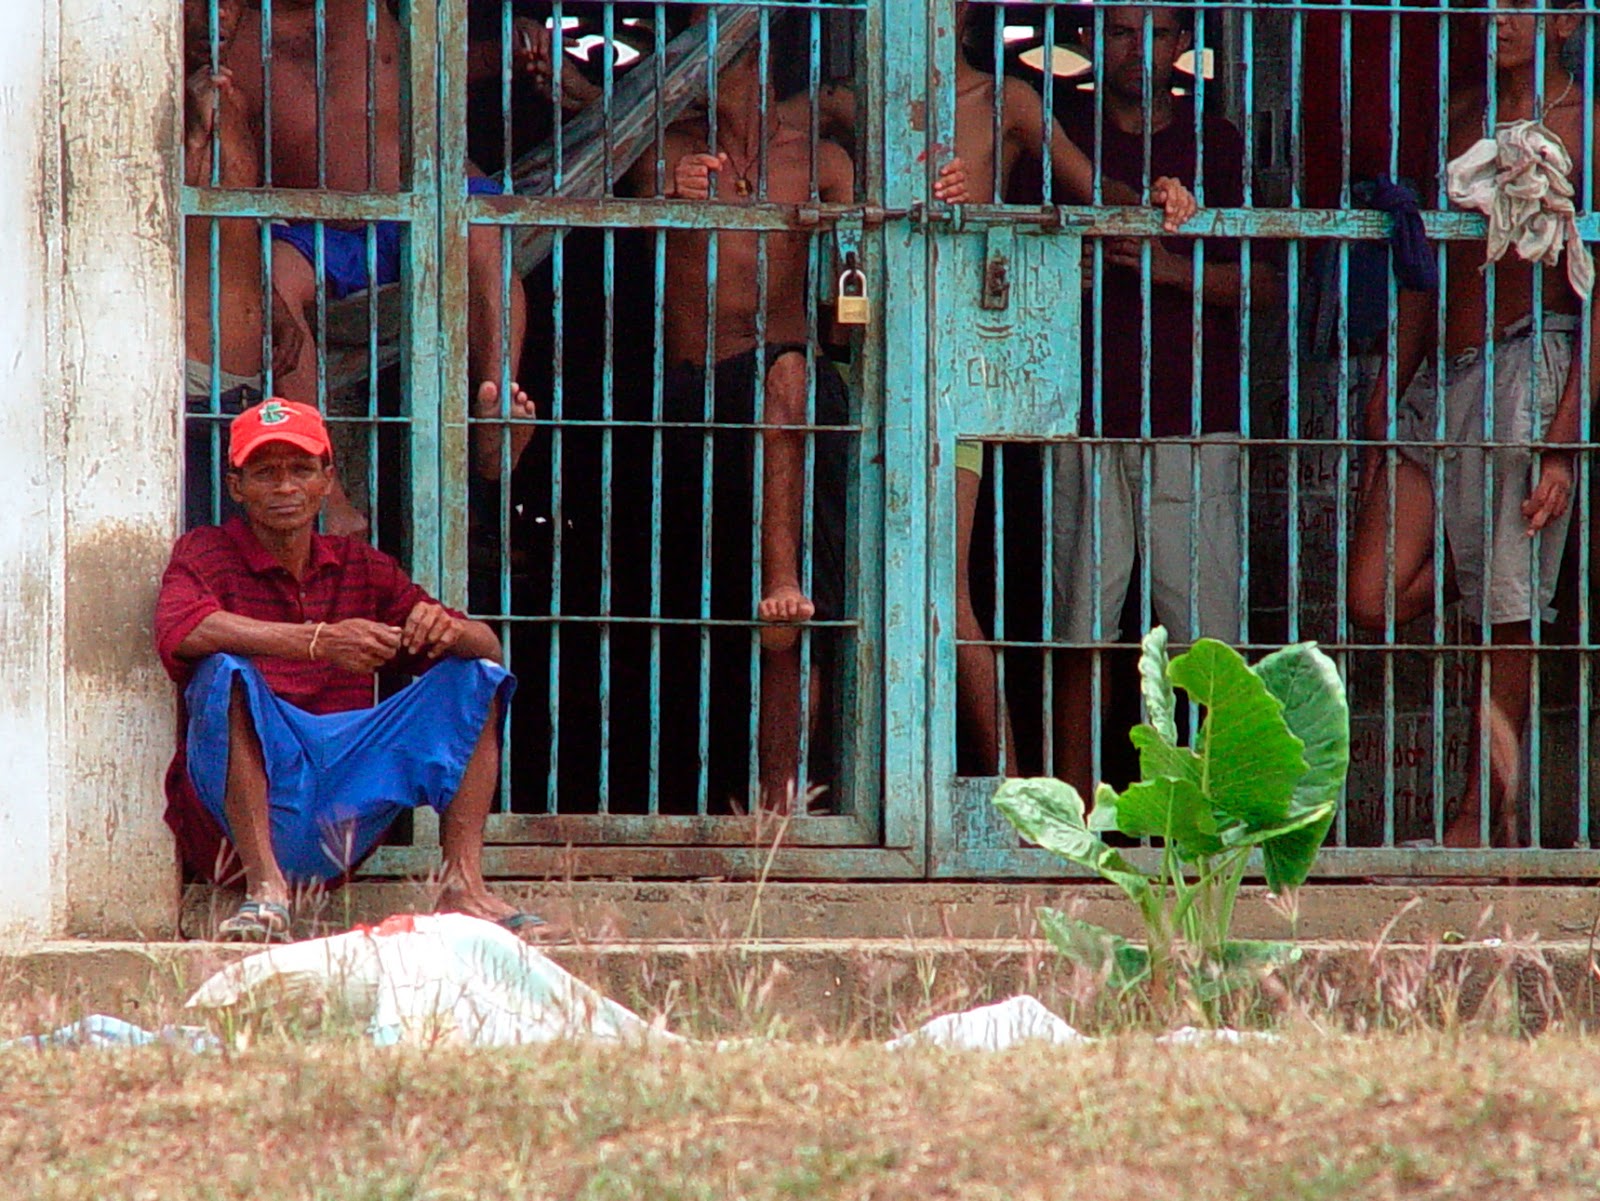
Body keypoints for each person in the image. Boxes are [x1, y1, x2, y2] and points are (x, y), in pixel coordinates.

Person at [792, 2, 1197, 775]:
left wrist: (1160, 198)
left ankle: (1007, 790)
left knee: (946, 585)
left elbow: (1095, 188)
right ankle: (836, 793)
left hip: (954, 375)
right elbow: (751, 128)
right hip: (859, 365)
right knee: (839, 585)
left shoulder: (1007, 101)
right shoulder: (845, 103)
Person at [1348, 0, 1600, 848]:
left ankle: (1480, 819)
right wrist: (1392, 386)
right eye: (1486, 5)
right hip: (1444, 378)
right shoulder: (1462, 117)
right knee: (1372, 593)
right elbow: (1427, 266)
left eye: (1520, 6)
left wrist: (1565, 436)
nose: (1496, 18)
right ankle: (1482, 809)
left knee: (1508, 610)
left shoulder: (1588, 122)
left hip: (1529, 365)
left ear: (1567, 22)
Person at [155, 399, 543, 941]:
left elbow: (488, 649)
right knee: (222, 670)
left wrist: (446, 629)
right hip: (243, 810)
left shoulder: (360, 565)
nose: (285, 487)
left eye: (301, 470)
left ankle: (463, 884)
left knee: (475, 676)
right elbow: (182, 630)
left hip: (342, 799)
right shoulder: (206, 551)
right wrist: (319, 642)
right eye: (265, 472)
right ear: (236, 487)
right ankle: (267, 890)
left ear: (326, 480)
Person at [1036, 5, 1274, 795]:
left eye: (1156, 32)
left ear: (1183, 44)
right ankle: (1078, 820)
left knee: (1206, 643)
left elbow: (1267, 285)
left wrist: (1168, 269)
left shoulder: (1221, 142)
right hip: (1083, 415)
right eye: (1118, 32)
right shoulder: (1056, 133)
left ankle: (1208, 816)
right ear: (1087, 40)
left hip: (1195, 417)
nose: (1138, 51)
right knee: (1080, 635)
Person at [225, 0, 535, 535]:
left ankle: (495, 407)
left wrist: (511, 49)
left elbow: (443, 62)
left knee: (485, 229)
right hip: (317, 226)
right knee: (270, 281)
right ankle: (331, 494)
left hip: (429, 204)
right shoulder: (232, 35)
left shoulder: (378, 8)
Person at [182, 0, 301, 529]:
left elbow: (239, 217)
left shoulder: (237, 99)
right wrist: (191, 131)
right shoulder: (136, 95)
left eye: (233, 4)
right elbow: (138, 221)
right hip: (189, 382)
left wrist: (271, 299)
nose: (219, 18)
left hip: (247, 383)